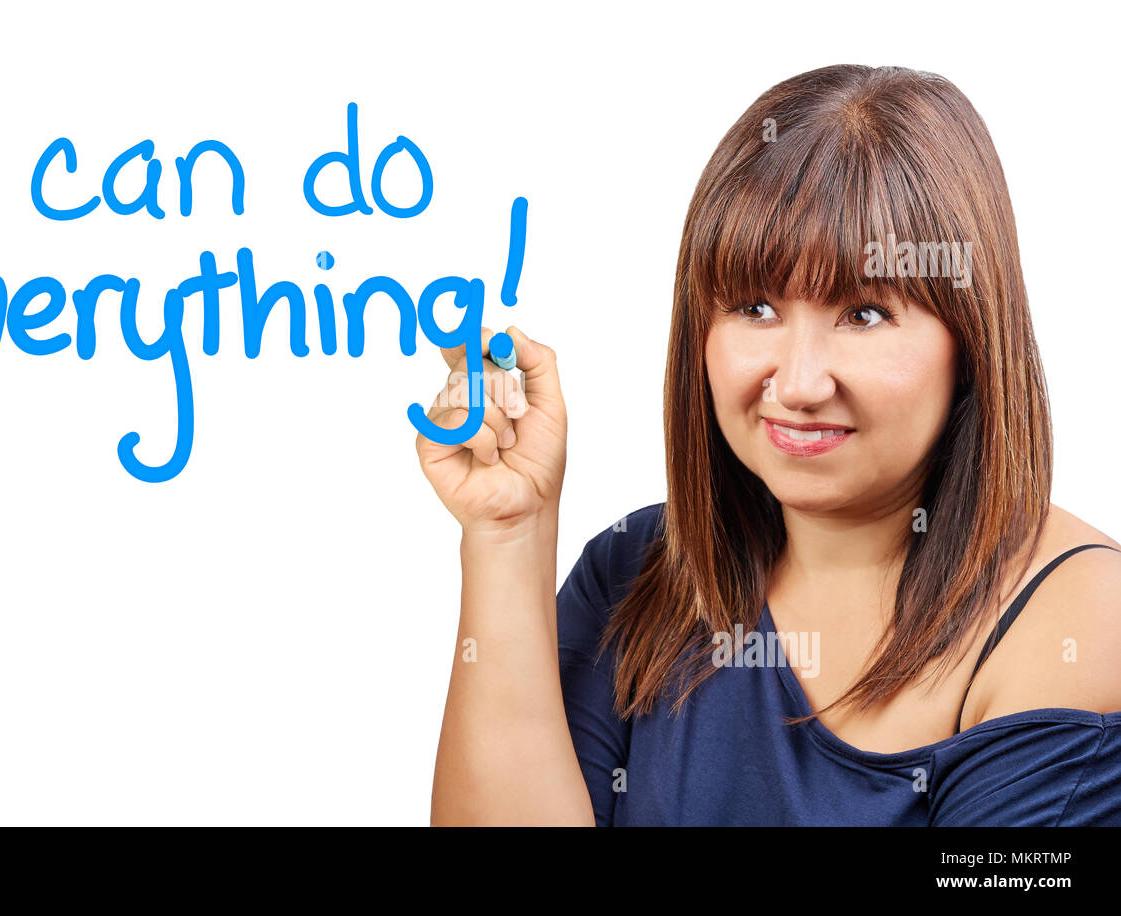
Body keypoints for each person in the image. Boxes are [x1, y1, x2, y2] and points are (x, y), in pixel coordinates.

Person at [416, 64, 1121, 825]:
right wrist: (508, 534)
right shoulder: (634, 571)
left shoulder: (1079, 618)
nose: (800, 382)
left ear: (972, 339)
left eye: (865, 314)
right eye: (756, 307)